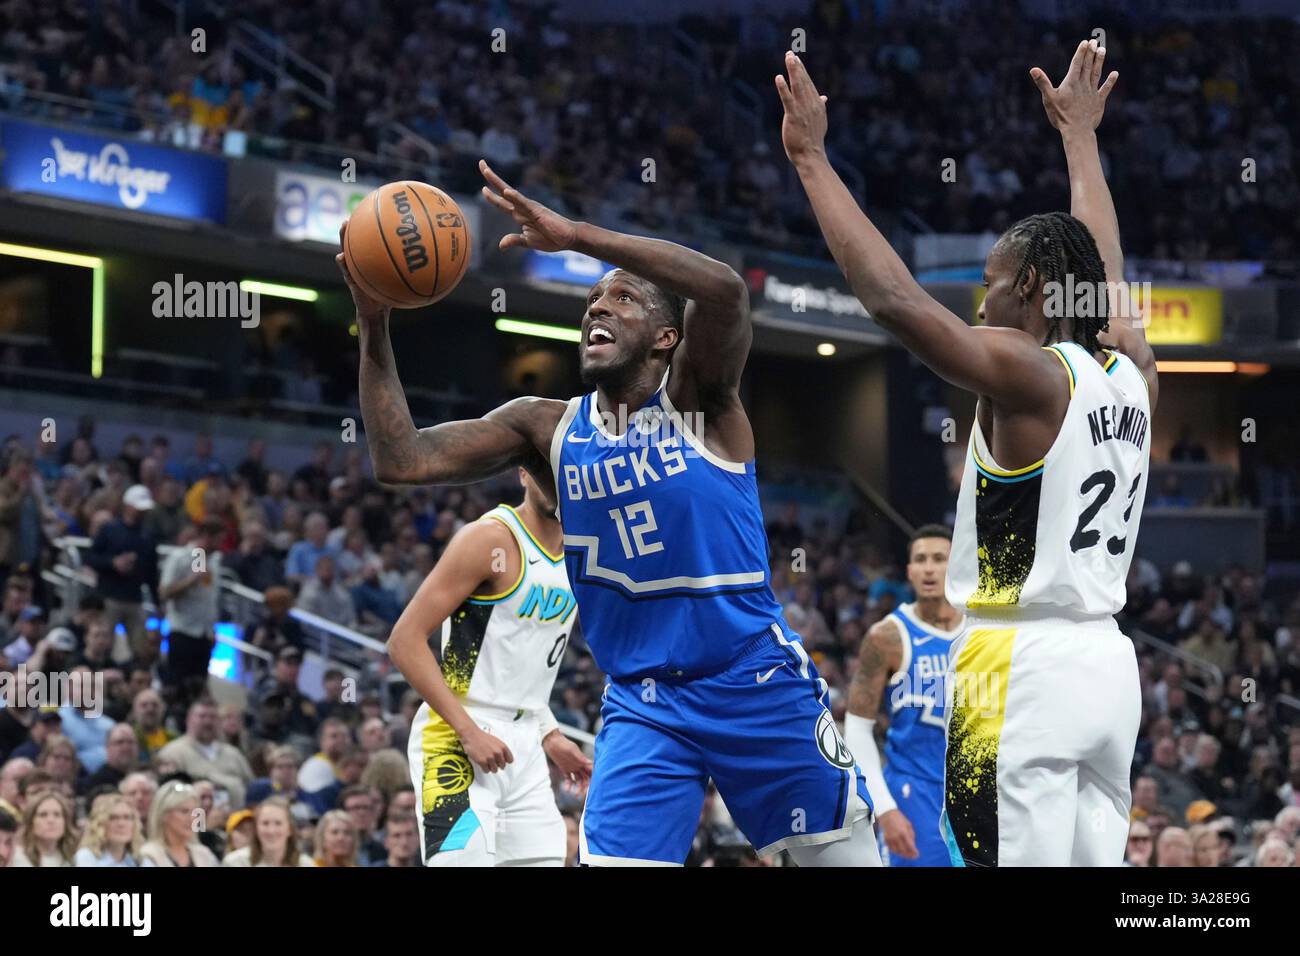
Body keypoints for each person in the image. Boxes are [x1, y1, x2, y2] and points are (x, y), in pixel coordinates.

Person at [340, 157, 878, 867]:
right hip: (644, 702)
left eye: (622, 299)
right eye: (592, 300)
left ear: (666, 337)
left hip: (752, 680)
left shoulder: (698, 401)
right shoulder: (546, 427)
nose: (597, 306)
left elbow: (720, 289)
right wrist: (373, 322)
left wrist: (577, 235)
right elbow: (400, 459)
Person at [778, 41, 1156, 867]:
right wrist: (1081, 141)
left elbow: (891, 299)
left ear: (1027, 292)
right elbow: (1102, 269)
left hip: (1015, 663)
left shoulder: (1028, 374)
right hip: (1107, 667)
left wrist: (810, 161)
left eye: (991, 280)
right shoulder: (1133, 368)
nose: (979, 297)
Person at [389, 469, 590, 866]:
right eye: (541, 468)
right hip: (456, 734)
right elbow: (404, 641)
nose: (554, 481)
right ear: (522, 474)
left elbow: (519, 660)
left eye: (561, 468)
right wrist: (467, 731)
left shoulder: (579, 548)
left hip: (526, 743)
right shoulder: (490, 539)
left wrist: (548, 733)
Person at [845, 525, 963, 866]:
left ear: (957, 565)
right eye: (920, 560)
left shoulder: (982, 630)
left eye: (939, 559)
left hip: (976, 794)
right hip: (913, 794)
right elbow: (857, 728)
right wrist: (885, 808)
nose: (929, 568)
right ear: (909, 571)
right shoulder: (886, 637)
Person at [83, 484, 160, 662]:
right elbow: (89, 557)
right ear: (128, 506)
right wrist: (112, 563)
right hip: (109, 597)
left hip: (135, 598)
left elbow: (151, 573)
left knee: (140, 649)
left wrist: (156, 603)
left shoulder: (148, 536)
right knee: (103, 644)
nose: (142, 513)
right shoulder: (110, 530)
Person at [159, 518, 224, 704]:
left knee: (198, 685)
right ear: (206, 537)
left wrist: (212, 631)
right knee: (176, 684)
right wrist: (191, 580)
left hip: (203, 633)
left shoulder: (214, 560)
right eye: (218, 540)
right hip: (183, 630)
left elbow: (210, 599)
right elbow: (165, 592)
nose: (221, 545)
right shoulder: (181, 557)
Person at [155, 699, 254, 808]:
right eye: (202, 716)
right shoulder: (172, 753)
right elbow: (169, 795)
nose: (208, 722)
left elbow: (251, 786)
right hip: (195, 820)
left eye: (213, 717)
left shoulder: (234, 754)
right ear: (188, 720)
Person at [140, 780, 218, 867]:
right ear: (164, 815)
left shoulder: (204, 855)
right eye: (184, 811)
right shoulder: (150, 855)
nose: (192, 818)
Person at [221, 796, 312, 866]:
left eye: (278, 823)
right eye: (265, 823)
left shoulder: (306, 864)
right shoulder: (235, 863)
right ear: (256, 828)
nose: (271, 831)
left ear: (290, 830)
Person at [9, 791, 77, 866]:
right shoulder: (15, 858)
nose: (51, 820)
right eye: (43, 815)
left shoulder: (73, 858)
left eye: (57, 815)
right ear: (31, 821)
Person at [74, 793, 143, 866]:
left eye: (127, 817)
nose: (121, 823)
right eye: (113, 818)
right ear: (99, 824)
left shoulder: (139, 860)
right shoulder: (86, 858)